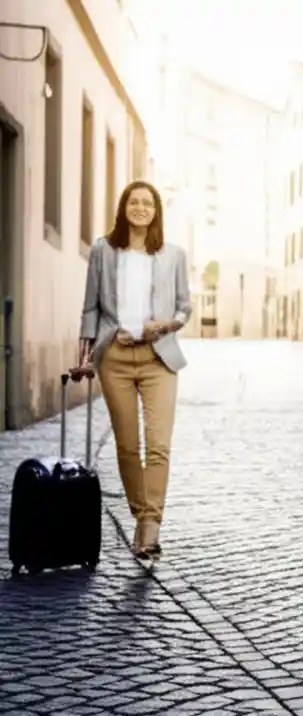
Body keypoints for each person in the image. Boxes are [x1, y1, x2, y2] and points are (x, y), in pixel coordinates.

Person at [77, 180, 191, 560]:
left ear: (156, 211)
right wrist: (84, 354)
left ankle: (150, 527)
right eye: (134, 202)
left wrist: (167, 325)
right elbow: (91, 307)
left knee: (158, 445)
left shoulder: (173, 254)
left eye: (148, 203)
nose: (141, 208)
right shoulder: (103, 251)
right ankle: (141, 516)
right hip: (116, 358)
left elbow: (184, 307)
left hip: (159, 358)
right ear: (123, 207)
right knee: (127, 446)